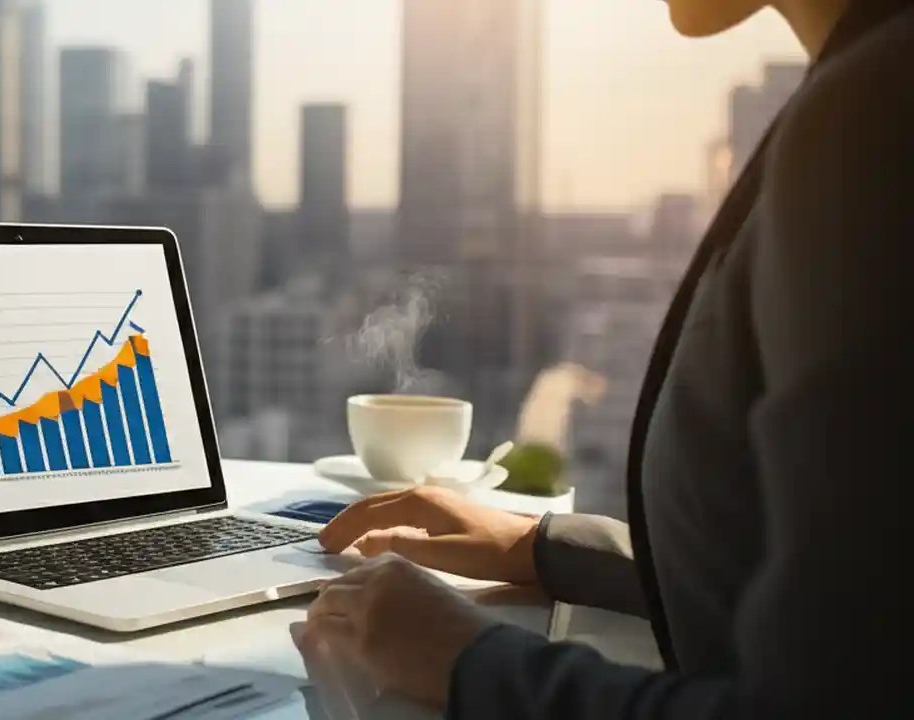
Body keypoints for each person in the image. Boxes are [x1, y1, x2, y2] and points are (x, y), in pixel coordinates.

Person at [307, 0, 913, 717]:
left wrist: (473, 663)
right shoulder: (867, 82)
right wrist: (546, 547)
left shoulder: (877, 111)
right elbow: (852, 596)